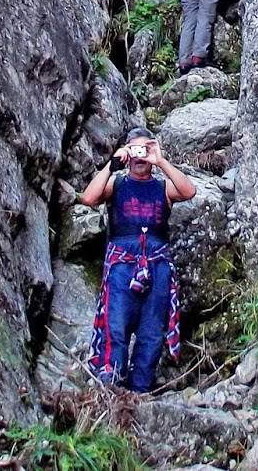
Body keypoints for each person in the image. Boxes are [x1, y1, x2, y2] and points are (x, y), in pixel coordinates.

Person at [80, 128, 197, 392]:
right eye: (135, 149)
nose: (140, 156)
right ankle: (112, 391)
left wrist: (161, 161)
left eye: (145, 149)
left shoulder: (163, 187)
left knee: (152, 334)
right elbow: (88, 198)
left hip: (157, 266)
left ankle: (140, 393)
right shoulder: (117, 183)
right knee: (116, 328)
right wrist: (113, 164)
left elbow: (189, 191)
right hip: (122, 266)